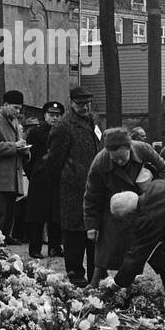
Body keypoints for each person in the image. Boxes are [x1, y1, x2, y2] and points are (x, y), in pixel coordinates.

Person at [84, 127, 165, 283]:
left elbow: (164, 168)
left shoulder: (144, 149)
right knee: (103, 257)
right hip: (112, 210)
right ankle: (95, 289)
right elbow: (92, 196)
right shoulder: (100, 162)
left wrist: (153, 189)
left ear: (129, 148)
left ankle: (133, 287)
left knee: (135, 254)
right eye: (114, 159)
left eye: (122, 158)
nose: (119, 162)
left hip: (140, 207)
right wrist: (91, 226)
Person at [41, 87, 101, 283]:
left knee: (94, 232)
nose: (85, 108)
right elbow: (54, 160)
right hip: (73, 189)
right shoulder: (64, 126)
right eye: (80, 104)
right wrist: (67, 177)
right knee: (74, 234)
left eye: (88, 104)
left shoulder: (94, 121)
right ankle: (75, 275)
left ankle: (96, 276)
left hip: (94, 187)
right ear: (72, 103)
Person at [0, 90, 31, 237]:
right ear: (5, 104)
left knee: (7, 222)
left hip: (12, 182)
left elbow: (17, 147)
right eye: (15, 107)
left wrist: (25, 151)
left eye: (20, 108)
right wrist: (15, 146)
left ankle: (2, 247)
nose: (18, 111)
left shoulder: (15, 123)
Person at [23, 101, 65, 260]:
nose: (54, 118)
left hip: (58, 177)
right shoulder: (36, 133)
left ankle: (55, 246)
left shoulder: (64, 132)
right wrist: (34, 174)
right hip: (40, 178)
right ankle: (35, 248)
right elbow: (28, 157)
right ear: (45, 115)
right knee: (37, 215)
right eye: (51, 115)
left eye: (57, 115)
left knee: (56, 215)